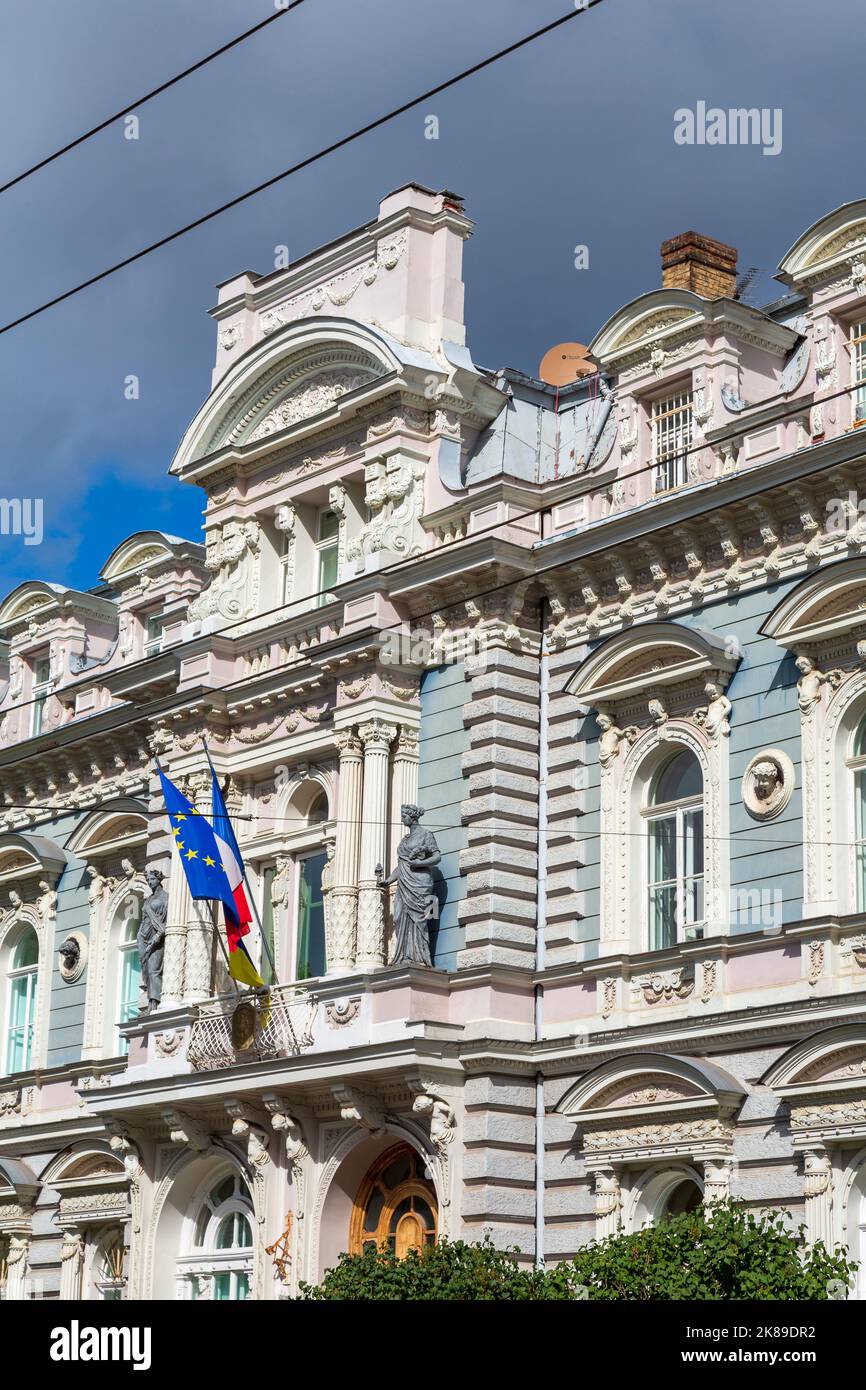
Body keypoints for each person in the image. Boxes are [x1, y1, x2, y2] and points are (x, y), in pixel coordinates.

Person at [376, 805, 441, 967]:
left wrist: (421, 863)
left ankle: (420, 957)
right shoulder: (404, 840)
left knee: (420, 919)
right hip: (404, 883)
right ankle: (405, 955)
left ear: (412, 817)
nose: (401, 819)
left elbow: (437, 857)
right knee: (400, 917)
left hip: (420, 883)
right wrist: (388, 880)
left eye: (404, 816)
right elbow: (402, 866)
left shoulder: (426, 835)